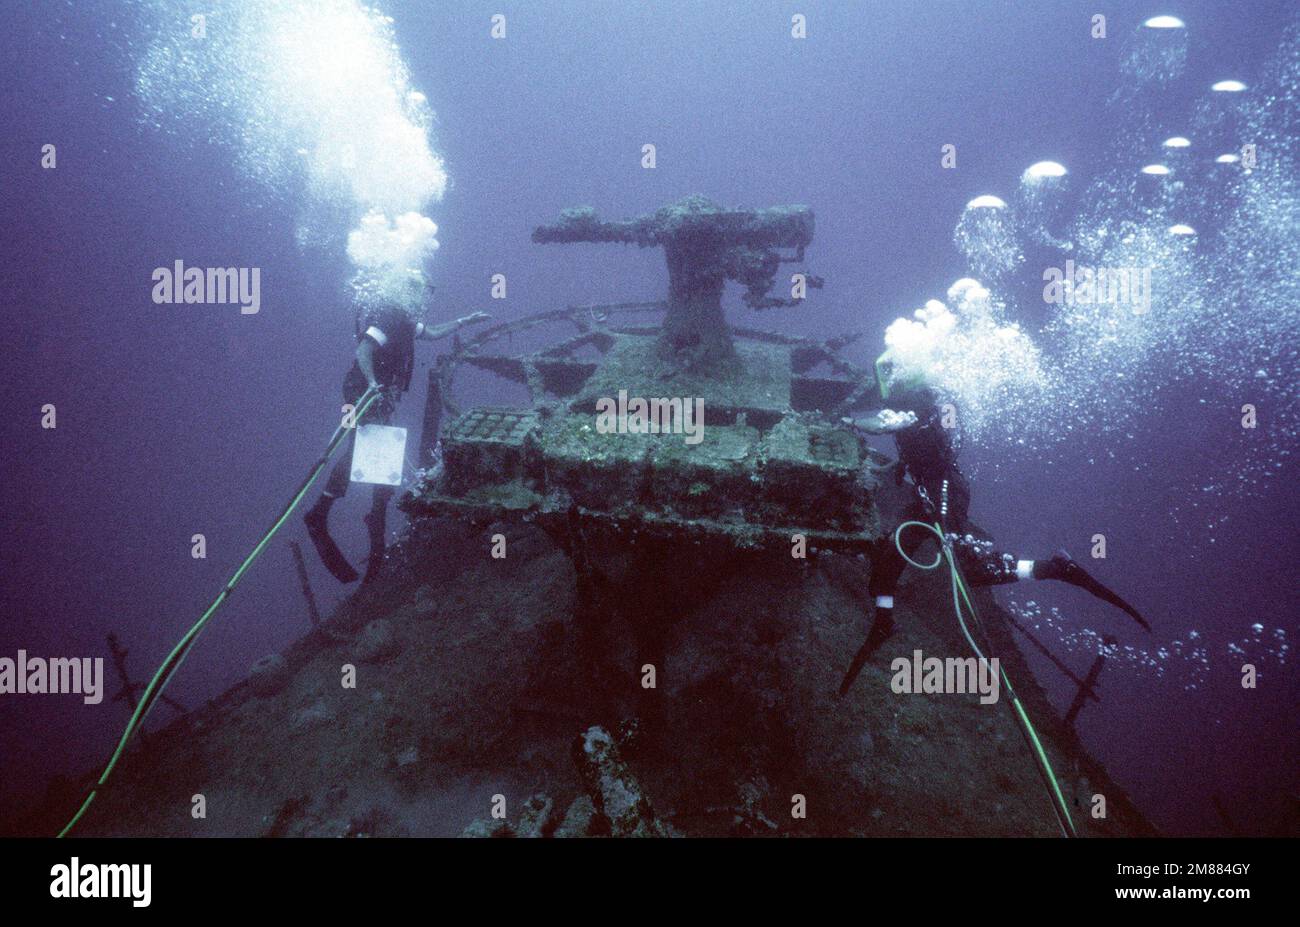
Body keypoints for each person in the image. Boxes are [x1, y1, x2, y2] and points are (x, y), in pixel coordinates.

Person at [838, 351, 1149, 696]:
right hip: (930, 495)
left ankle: (1057, 568)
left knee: (972, 571)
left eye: (886, 376)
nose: (883, 383)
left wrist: (847, 423)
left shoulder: (919, 401)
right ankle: (884, 622)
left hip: (944, 494)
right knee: (889, 557)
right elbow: (915, 441)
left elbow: (888, 423)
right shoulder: (922, 401)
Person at [305, 303, 490, 585]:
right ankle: (330, 515)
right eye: (421, 291)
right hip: (364, 391)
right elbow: (363, 351)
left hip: (378, 393)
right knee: (362, 448)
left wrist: (465, 319)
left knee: (375, 449)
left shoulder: (405, 320)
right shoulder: (389, 316)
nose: (425, 299)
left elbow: (432, 332)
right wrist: (371, 383)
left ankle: (369, 519)